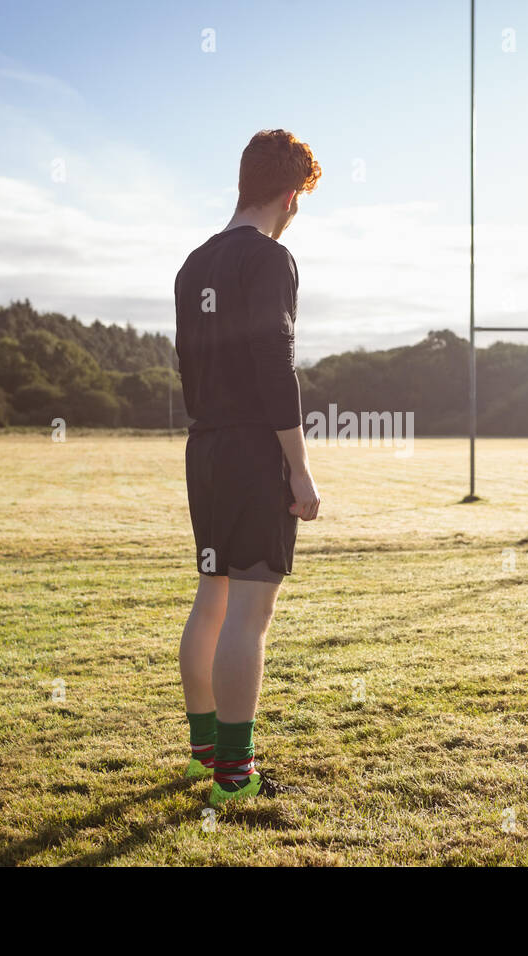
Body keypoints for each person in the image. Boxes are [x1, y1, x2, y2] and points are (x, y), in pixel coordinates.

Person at [172, 129, 323, 806]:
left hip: (203, 448)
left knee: (213, 596)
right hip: (253, 451)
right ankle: (234, 777)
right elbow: (274, 364)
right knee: (249, 616)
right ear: (290, 194)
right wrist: (300, 468)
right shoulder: (271, 259)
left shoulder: (192, 264)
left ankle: (207, 748)